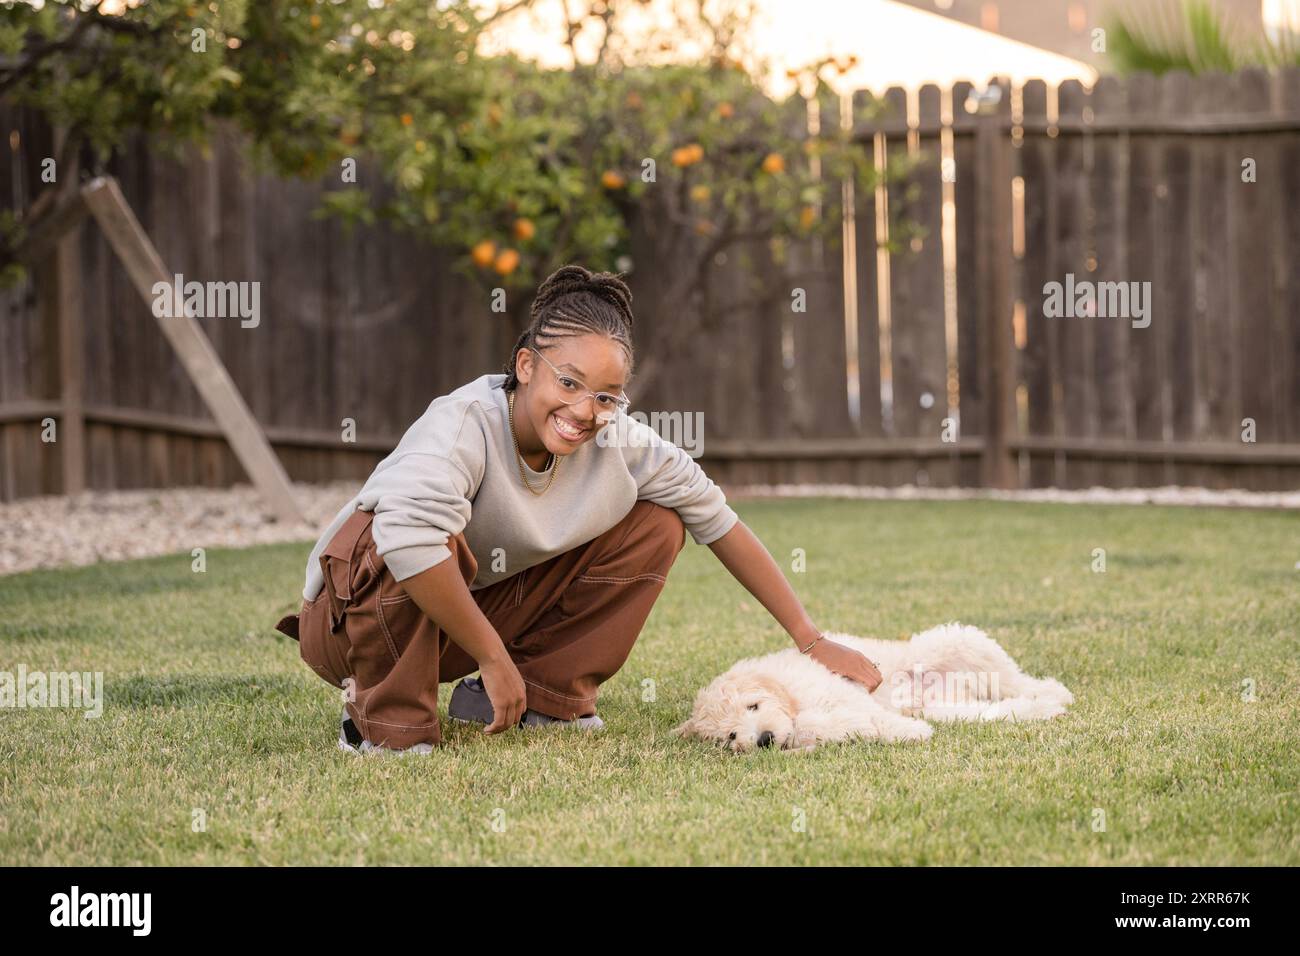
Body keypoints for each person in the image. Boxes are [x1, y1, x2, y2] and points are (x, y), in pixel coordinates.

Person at [275, 264, 882, 753]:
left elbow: (717, 521)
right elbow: (406, 541)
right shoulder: (462, 424)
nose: (584, 409)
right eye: (567, 383)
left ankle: (543, 697)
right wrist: (491, 656)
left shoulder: (621, 443)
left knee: (659, 524)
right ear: (525, 365)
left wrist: (811, 639)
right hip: (349, 625)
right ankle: (382, 720)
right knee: (408, 529)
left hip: (455, 623)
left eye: (605, 396)